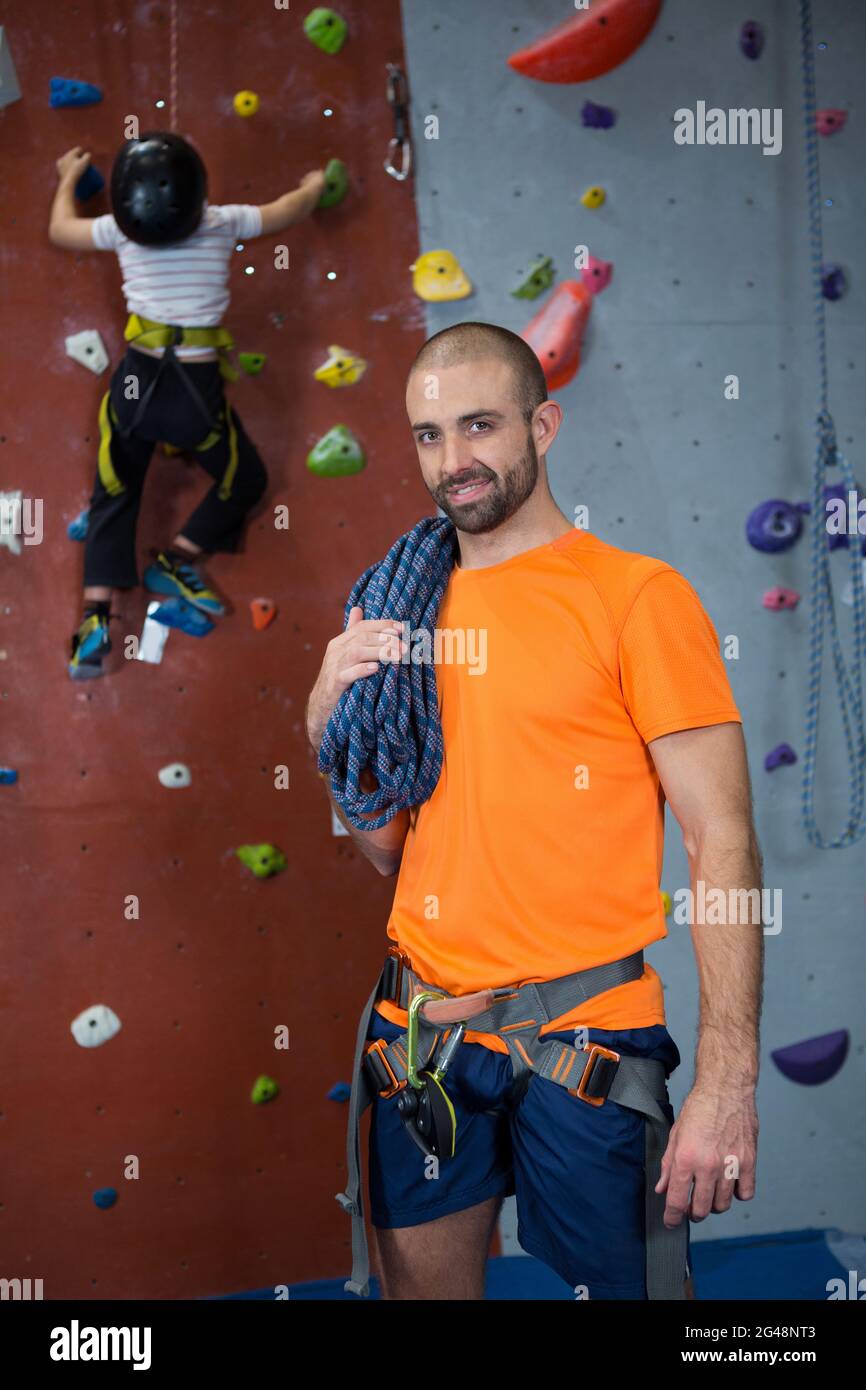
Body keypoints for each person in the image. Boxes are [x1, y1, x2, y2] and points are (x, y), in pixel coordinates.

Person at [305, 321, 762, 1301]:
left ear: (541, 424)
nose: (452, 461)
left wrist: (727, 1080)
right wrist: (322, 721)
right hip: (421, 1036)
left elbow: (720, 839)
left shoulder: (634, 597)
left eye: (477, 426)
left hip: (585, 1038)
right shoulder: (398, 613)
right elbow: (383, 847)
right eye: (427, 434)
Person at [49, 133, 327, 679]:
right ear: (198, 195)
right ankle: (174, 560)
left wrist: (66, 178)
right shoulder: (220, 223)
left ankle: (94, 621)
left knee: (114, 491)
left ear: (127, 205)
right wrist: (313, 187)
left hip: (134, 382)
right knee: (244, 478)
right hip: (193, 395)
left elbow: (60, 230)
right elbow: (285, 211)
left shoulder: (120, 233)